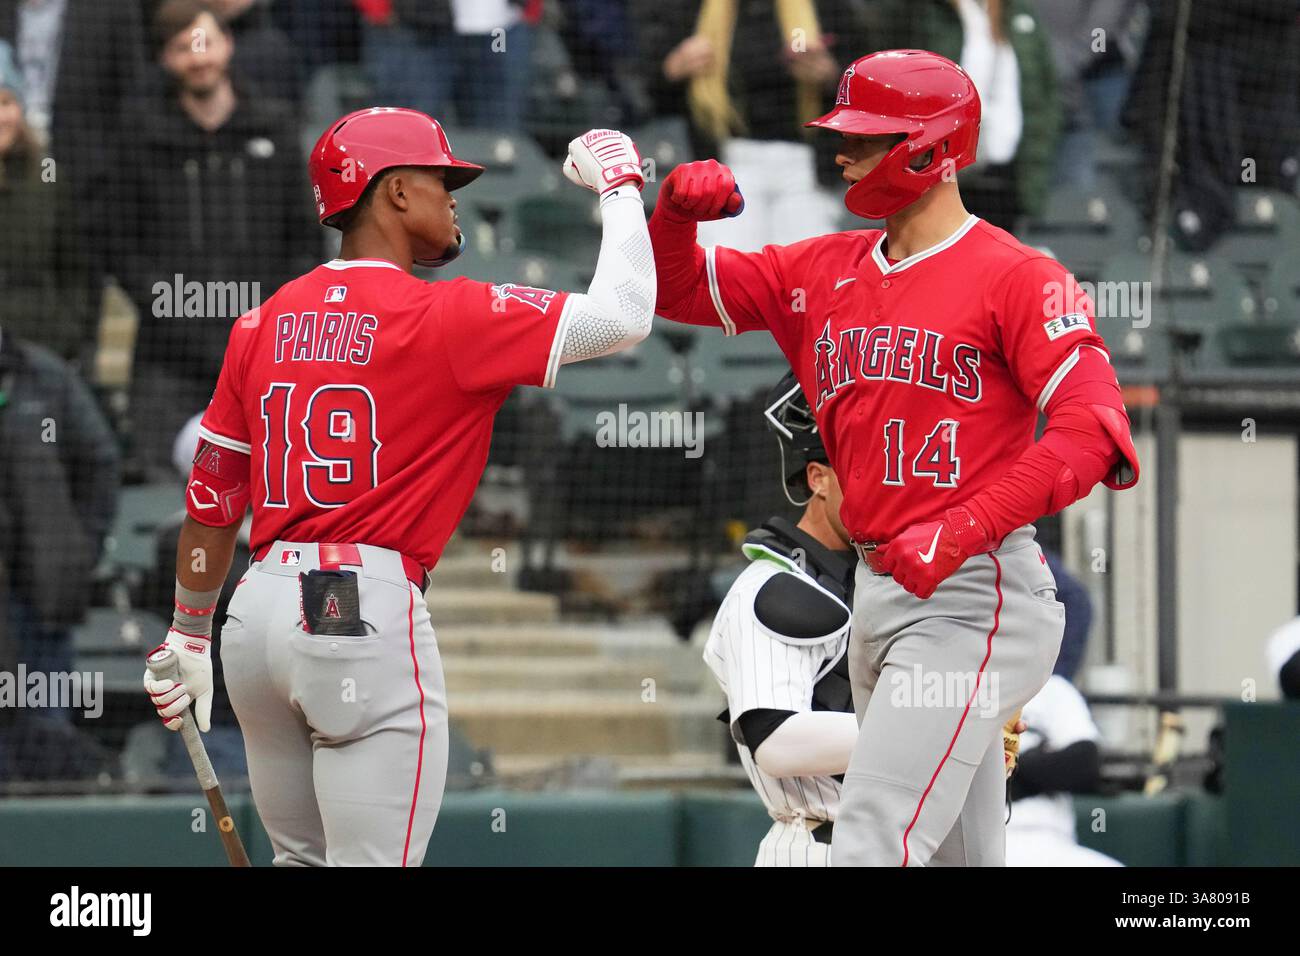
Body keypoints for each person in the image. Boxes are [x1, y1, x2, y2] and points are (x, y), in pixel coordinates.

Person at [650, 49, 1140, 866]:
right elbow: (673, 292)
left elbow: (1094, 431)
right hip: (880, 590)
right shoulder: (821, 269)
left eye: (868, 138)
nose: (843, 153)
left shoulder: (1019, 277)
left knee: (871, 836)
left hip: (974, 593)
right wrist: (671, 218)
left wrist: (960, 529)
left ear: (931, 147)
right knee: (958, 856)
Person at [140, 107, 655, 866]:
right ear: (395, 192)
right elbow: (624, 316)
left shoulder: (261, 321)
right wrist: (620, 187)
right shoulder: (448, 312)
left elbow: (215, 494)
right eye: (442, 180)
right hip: (357, 610)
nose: (454, 198)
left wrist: (189, 630)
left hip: (254, 617)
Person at [707, 372, 1024, 866]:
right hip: (822, 846)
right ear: (818, 477)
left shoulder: (889, 582)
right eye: (864, 472)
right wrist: (939, 728)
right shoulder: (774, 587)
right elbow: (776, 741)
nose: (885, 489)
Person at [113, 0, 318, 478]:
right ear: (165, 58)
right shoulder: (140, 136)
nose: (198, 57)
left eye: (205, 43)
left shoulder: (276, 128)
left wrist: (272, 318)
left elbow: (305, 239)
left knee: (282, 476)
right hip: (171, 352)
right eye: (183, 47)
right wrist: (169, 308)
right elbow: (121, 242)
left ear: (228, 44)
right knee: (181, 482)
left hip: (267, 349)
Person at [636, 0, 869, 250]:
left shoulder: (828, 8)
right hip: (729, 163)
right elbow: (648, 99)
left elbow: (864, 89)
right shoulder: (689, 10)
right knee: (728, 264)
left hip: (807, 166)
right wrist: (672, 70)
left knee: (808, 266)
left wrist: (831, 77)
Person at [870, 0, 1061, 230]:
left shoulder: (1019, 12)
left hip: (1008, 174)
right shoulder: (923, 12)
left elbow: (1046, 91)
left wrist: (1037, 158)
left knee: (994, 260)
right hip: (943, 173)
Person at [1007, 567, 1121, 867]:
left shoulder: (1053, 689)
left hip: (1053, 844)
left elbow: (1083, 762)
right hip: (979, 846)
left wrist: (1012, 773)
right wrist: (1038, 768)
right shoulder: (952, 686)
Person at [0, 40, 92, 361]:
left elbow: (74, 268)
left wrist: (64, 334)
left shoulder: (48, 177)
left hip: (39, 351)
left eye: (6, 102)